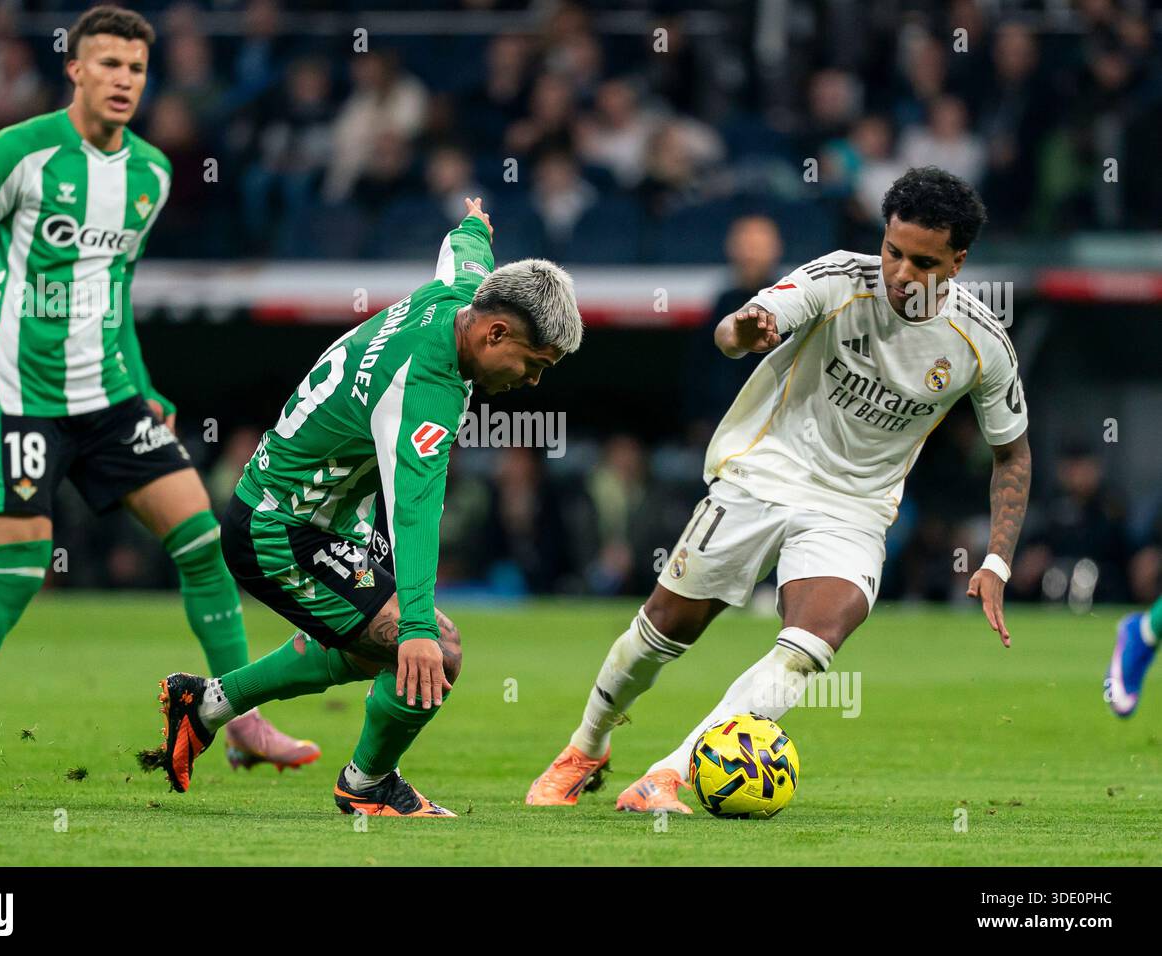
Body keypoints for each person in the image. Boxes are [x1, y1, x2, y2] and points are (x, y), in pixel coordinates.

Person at [0, 5, 316, 775]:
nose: (124, 80)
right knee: (21, 569)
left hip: (111, 398)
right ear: (75, 70)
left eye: (137, 68)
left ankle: (243, 721)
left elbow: (112, 290)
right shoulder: (19, 152)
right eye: (109, 65)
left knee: (204, 545)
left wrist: (146, 383)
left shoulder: (151, 174)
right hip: (18, 398)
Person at [526, 166, 1031, 813]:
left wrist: (995, 559)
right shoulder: (839, 278)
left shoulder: (980, 342)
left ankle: (668, 776)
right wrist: (746, 328)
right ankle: (585, 747)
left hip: (853, 510)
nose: (901, 273)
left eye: (924, 262)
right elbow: (737, 328)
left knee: (810, 645)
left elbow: (1011, 453)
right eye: (893, 251)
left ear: (957, 263)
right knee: (661, 629)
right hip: (765, 472)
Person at [141, 199, 583, 817]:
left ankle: (207, 704)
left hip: (324, 519)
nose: (533, 384)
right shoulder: (421, 392)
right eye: (535, 366)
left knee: (374, 640)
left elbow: (464, 250)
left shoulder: (459, 294)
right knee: (435, 650)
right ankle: (368, 784)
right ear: (496, 333)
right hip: (281, 529)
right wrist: (421, 630)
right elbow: (415, 515)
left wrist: (475, 223)